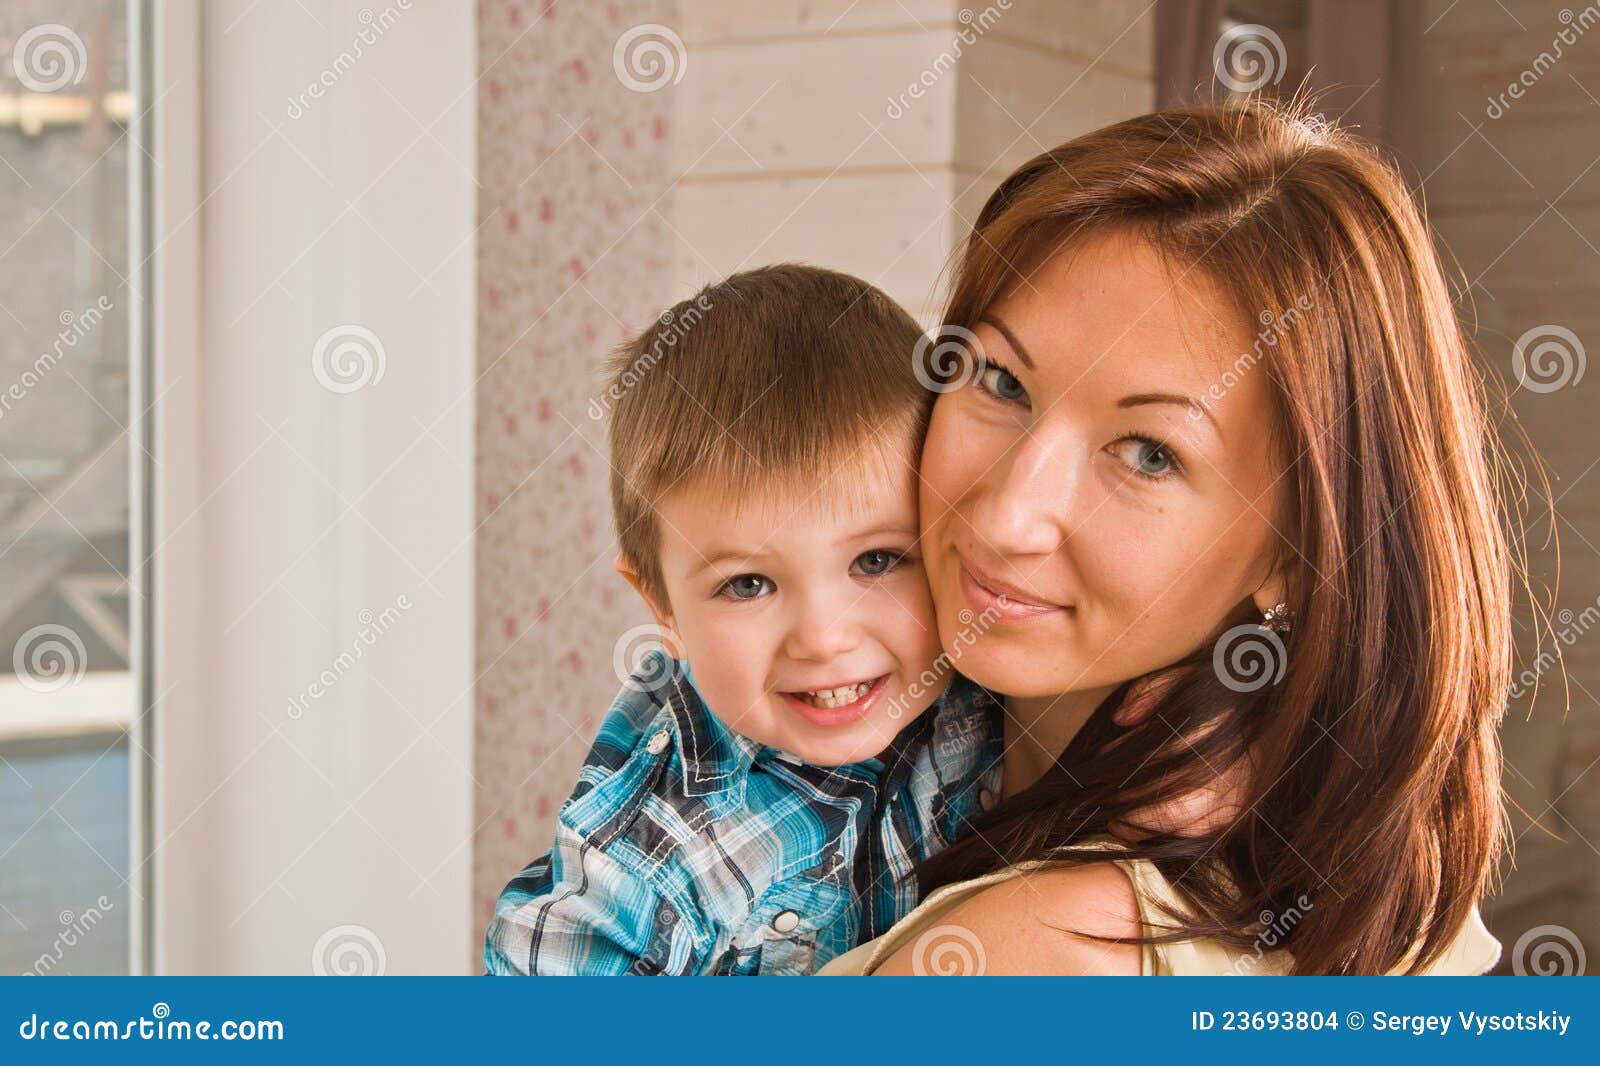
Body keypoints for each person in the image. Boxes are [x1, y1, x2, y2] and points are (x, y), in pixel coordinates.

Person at [822, 97, 1515, 976]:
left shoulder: (1034, 957)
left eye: (1149, 454)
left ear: (1302, 554)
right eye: (999, 380)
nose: (1005, 515)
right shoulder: (1369, 882)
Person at [483, 264, 1006, 975]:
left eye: (877, 561)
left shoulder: (996, 679)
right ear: (661, 608)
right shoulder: (654, 843)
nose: (824, 637)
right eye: (749, 584)